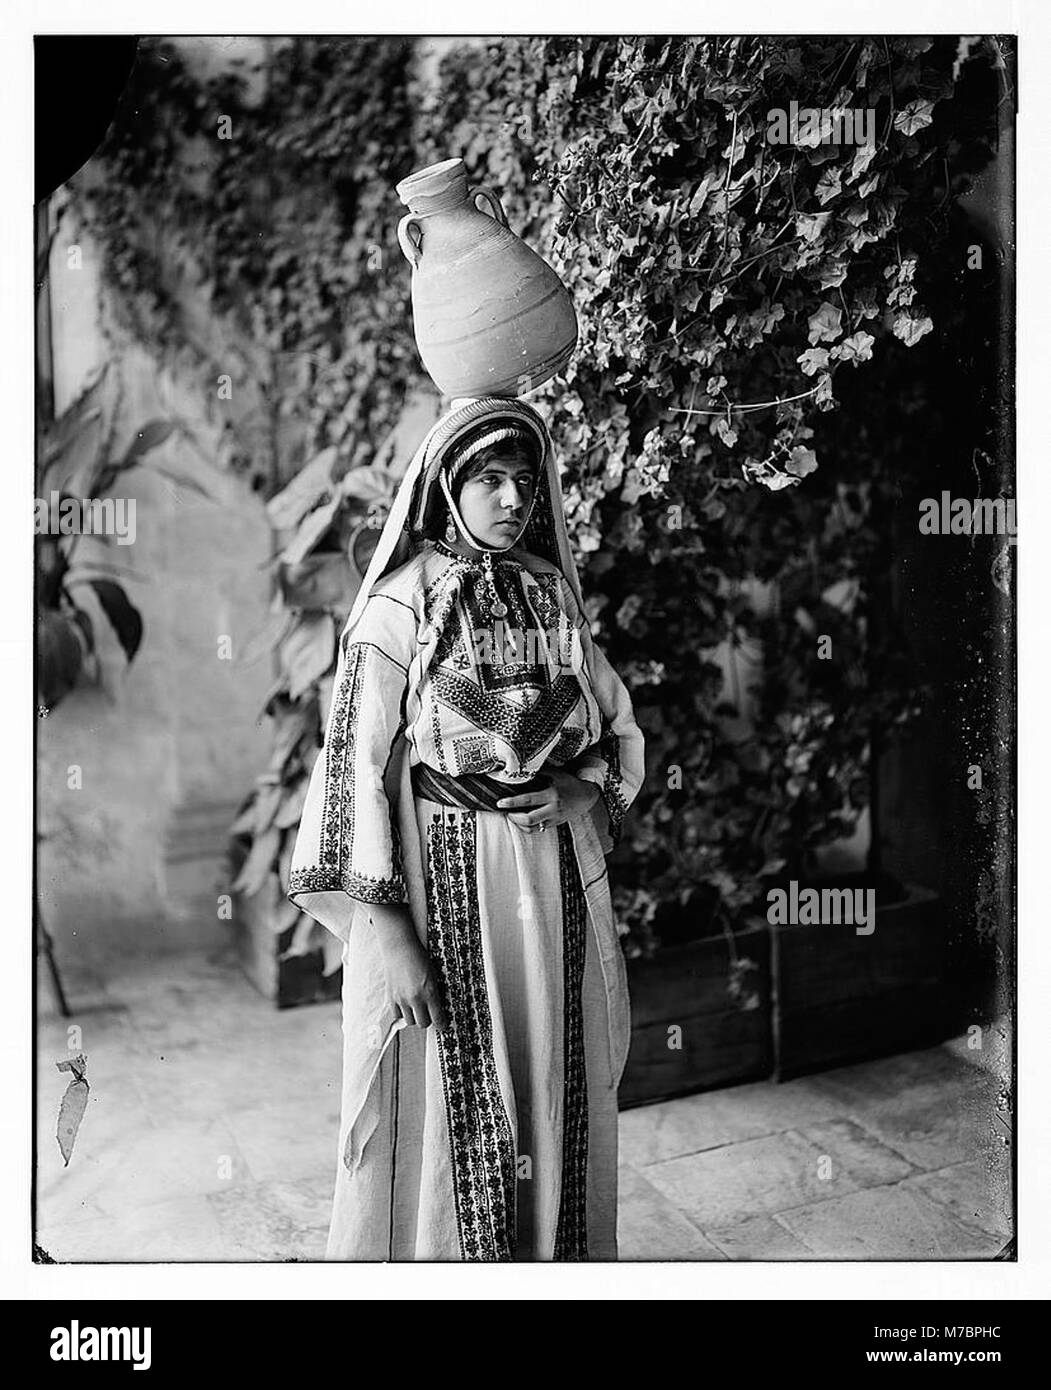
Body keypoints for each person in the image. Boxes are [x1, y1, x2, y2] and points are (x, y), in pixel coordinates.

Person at [288, 395, 645, 1261]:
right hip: (441, 877)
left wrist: (581, 791)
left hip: (545, 876)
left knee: (544, 1070)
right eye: (489, 478)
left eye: (525, 481)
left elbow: (613, 723)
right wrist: (390, 936)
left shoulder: (550, 596)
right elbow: (352, 774)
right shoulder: (396, 612)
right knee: (456, 1089)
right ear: (446, 485)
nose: (512, 498)